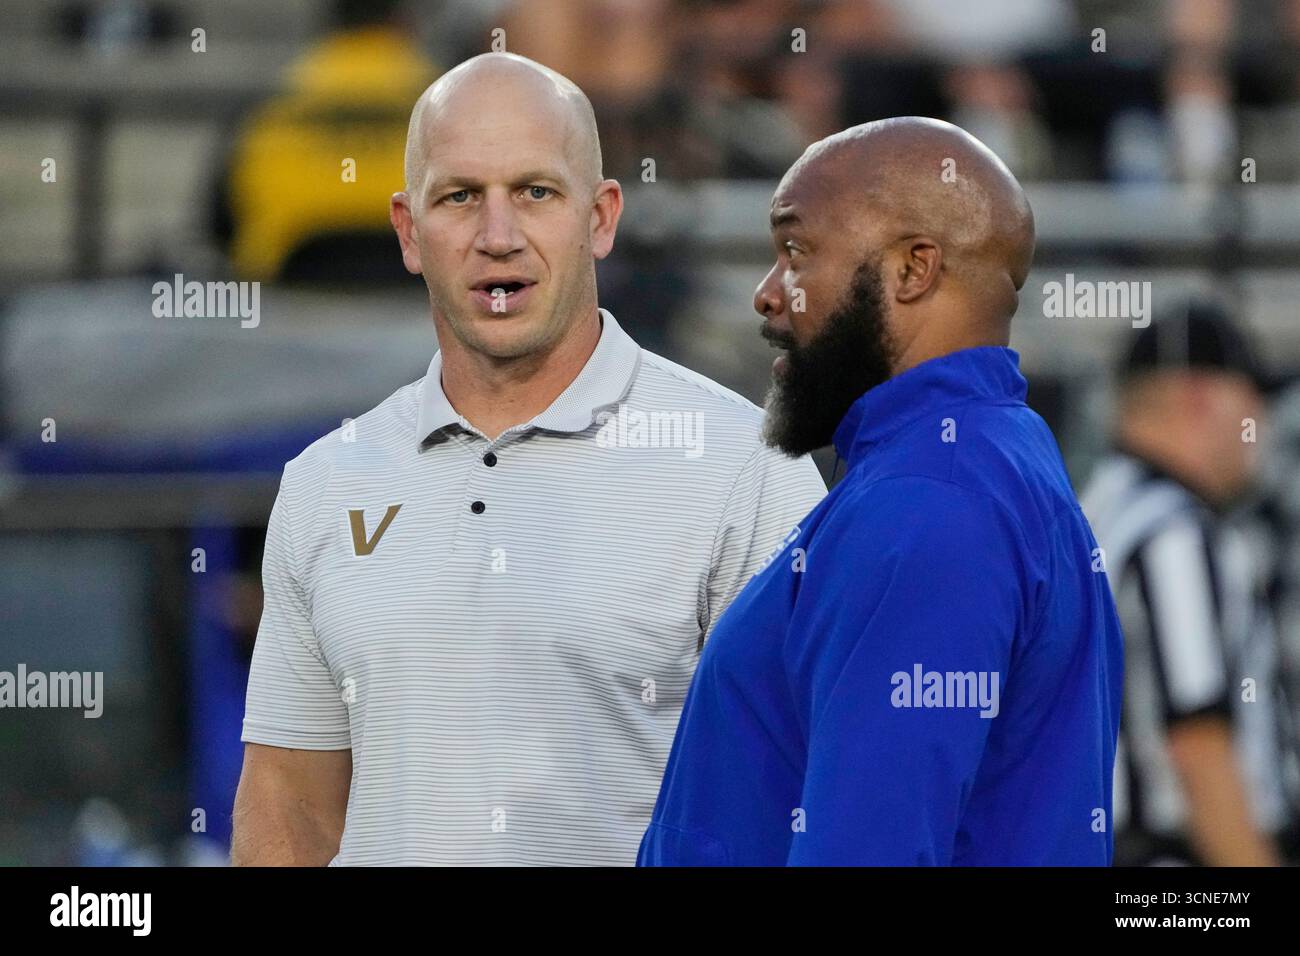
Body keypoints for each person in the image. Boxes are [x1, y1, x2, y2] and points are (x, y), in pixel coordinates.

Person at [231, 53, 825, 866]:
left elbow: (803, 797)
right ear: (409, 231)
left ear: (601, 217)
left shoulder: (744, 468)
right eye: (460, 197)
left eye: (535, 192)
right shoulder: (324, 483)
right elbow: (286, 807)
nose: (498, 236)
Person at [638, 117, 1123, 866]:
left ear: (912, 270)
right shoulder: (984, 463)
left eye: (796, 252)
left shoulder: (928, 502)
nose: (768, 295)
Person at [1081, 300, 1300, 866]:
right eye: (1255, 400)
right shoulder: (1174, 536)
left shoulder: (1098, 509)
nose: (1262, 428)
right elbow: (1197, 744)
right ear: (1202, 397)